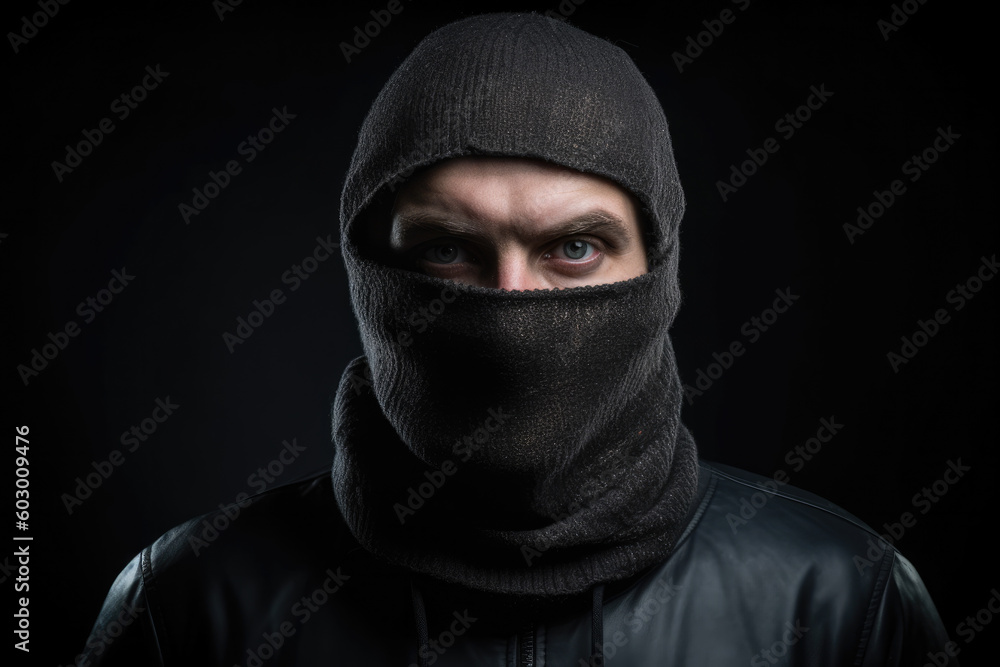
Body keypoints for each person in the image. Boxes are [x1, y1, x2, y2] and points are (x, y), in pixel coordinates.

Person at [78, 12, 956, 666]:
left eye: (573, 247)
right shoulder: (191, 603)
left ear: (661, 267)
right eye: (448, 249)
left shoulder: (841, 597)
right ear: (367, 269)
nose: (510, 302)